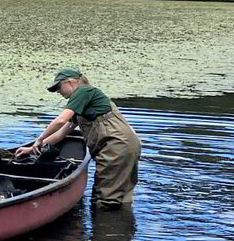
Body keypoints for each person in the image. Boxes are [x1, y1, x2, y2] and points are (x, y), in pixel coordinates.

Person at [16, 68, 141, 208]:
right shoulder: (84, 101)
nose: (58, 92)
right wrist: (34, 148)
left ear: (70, 82)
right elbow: (61, 133)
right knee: (121, 198)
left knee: (104, 201)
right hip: (125, 145)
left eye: (58, 87)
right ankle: (122, 227)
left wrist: (39, 139)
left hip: (116, 146)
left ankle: (106, 229)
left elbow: (60, 121)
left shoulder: (83, 91)